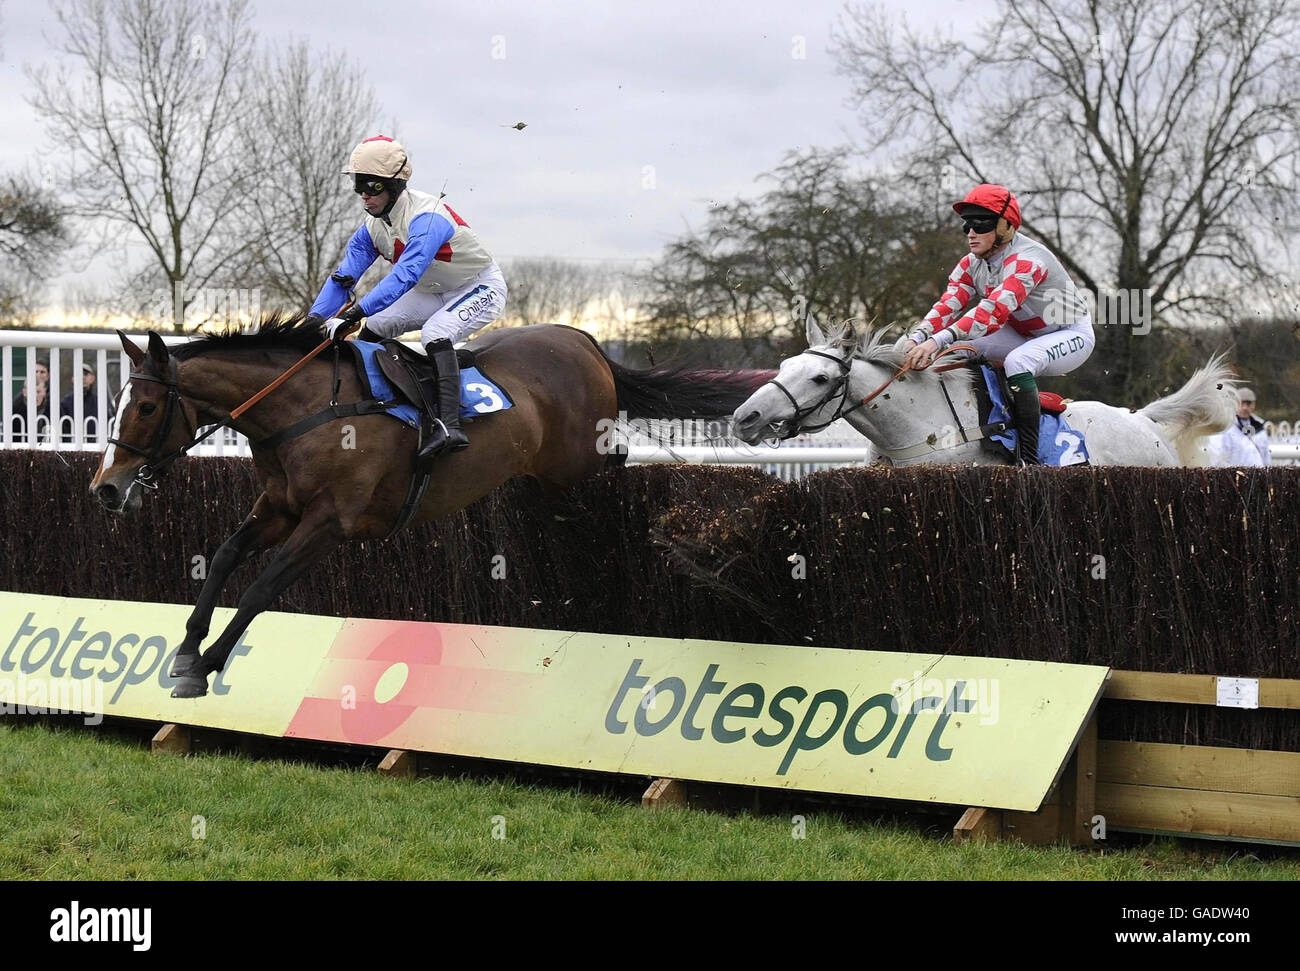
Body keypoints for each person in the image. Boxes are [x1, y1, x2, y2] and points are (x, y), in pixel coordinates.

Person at [305, 135, 508, 459]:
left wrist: (350, 315)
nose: (363, 197)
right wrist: (312, 321)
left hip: (478, 287)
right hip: (431, 292)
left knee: (435, 334)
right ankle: (377, 405)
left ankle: (449, 425)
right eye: (359, 187)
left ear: (395, 186)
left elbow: (405, 276)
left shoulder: (427, 217)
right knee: (377, 326)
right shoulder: (372, 228)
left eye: (371, 187)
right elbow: (343, 279)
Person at [901, 184, 1094, 464]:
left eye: (981, 223)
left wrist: (936, 339)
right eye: (966, 224)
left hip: (1070, 333)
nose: (971, 232)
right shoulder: (971, 264)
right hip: (1022, 332)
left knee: (1018, 362)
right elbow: (948, 304)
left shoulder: (1029, 260)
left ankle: (1029, 461)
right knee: (955, 350)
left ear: (1006, 226)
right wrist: (917, 337)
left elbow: (991, 313)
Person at [1205, 387, 1270, 467]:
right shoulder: (1224, 428)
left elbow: (1266, 458)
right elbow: (1217, 458)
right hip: (1234, 477)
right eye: (1241, 403)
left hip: (1259, 477)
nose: (1244, 407)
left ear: (1254, 405)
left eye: (1248, 404)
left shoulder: (1260, 428)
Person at [10, 358, 50, 443]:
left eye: (38, 392)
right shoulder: (17, 405)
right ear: (24, 392)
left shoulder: (52, 403)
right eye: (36, 371)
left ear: (45, 392)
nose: (35, 395)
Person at [59, 363, 101, 441]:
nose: (82, 377)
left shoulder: (100, 402)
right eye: (79, 374)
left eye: (86, 374)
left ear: (93, 378)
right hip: (71, 448)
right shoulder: (65, 402)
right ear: (73, 379)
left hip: (96, 447)